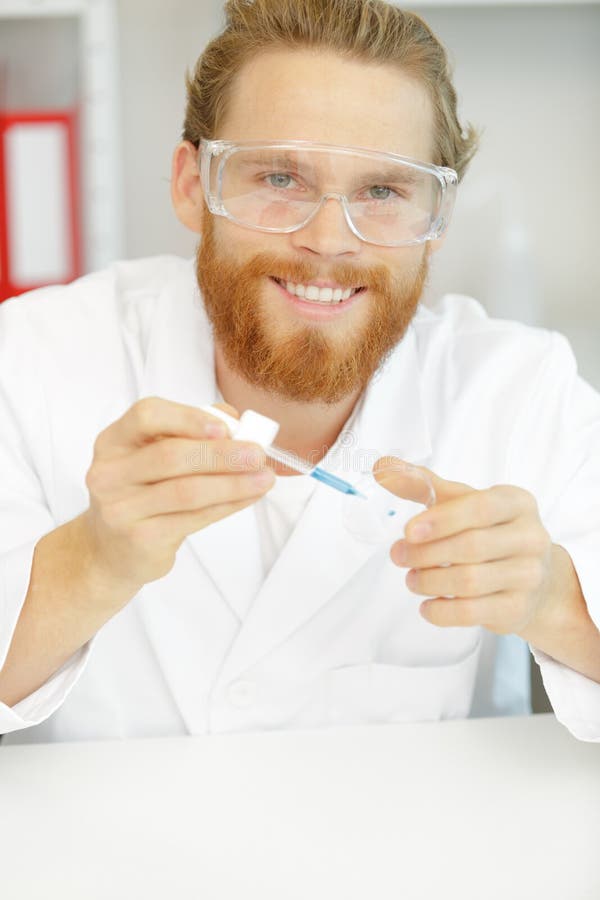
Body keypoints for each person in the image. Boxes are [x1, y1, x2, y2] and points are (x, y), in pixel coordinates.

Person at [0, 0, 599, 744]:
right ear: (193, 184)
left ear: (437, 219)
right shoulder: (31, 359)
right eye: (280, 177)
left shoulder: (518, 388)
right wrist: (91, 561)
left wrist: (556, 601)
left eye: (382, 192)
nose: (325, 240)